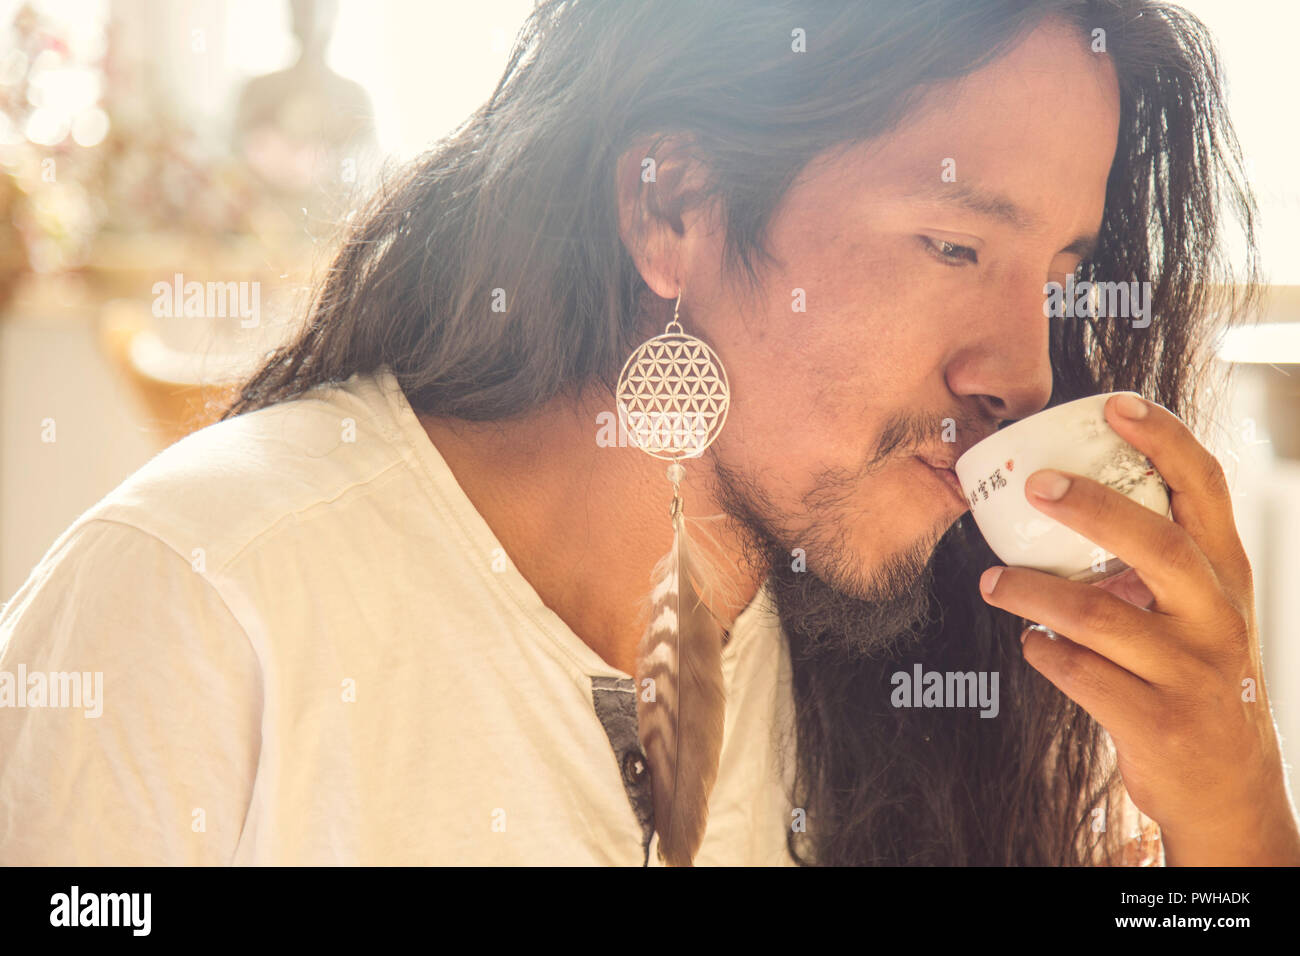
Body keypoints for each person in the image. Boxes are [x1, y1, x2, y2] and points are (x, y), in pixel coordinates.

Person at [2, 0, 1297, 866]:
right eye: (955, 247)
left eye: (1060, 278)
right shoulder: (199, 603)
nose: (1024, 374)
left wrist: (1233, 819)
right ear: (672, 206)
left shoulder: (930, 670)